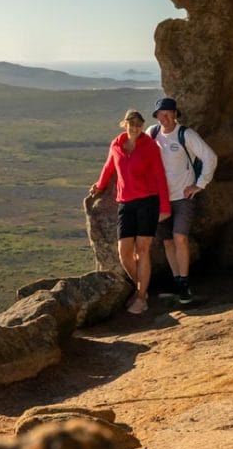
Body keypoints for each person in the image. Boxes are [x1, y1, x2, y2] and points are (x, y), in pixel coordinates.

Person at [89, 109, 170, 314]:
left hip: (148, 202)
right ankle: (141, 287)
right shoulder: (116, 145)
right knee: (124, 253)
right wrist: (99, 186)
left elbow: (160, 176)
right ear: (124, 124)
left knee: (142, 250)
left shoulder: (150, 146)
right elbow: (109, 167)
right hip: (125, 203)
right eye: (131, 124)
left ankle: (141, 298)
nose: (135, 129)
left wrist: (164, 207)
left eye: (138, 125)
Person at [147, 96, 217, 306]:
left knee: (180, 239)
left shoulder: (185, 134)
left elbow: (210, 157)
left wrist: (200, 184)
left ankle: (184, 284)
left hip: (182, 197)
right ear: (157, 116)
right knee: (168, 241)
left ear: (176, 114)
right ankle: (178, 282)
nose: (165, 117)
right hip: (160, 198)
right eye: (161, 114)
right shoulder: (152, 133)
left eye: (169, 113)